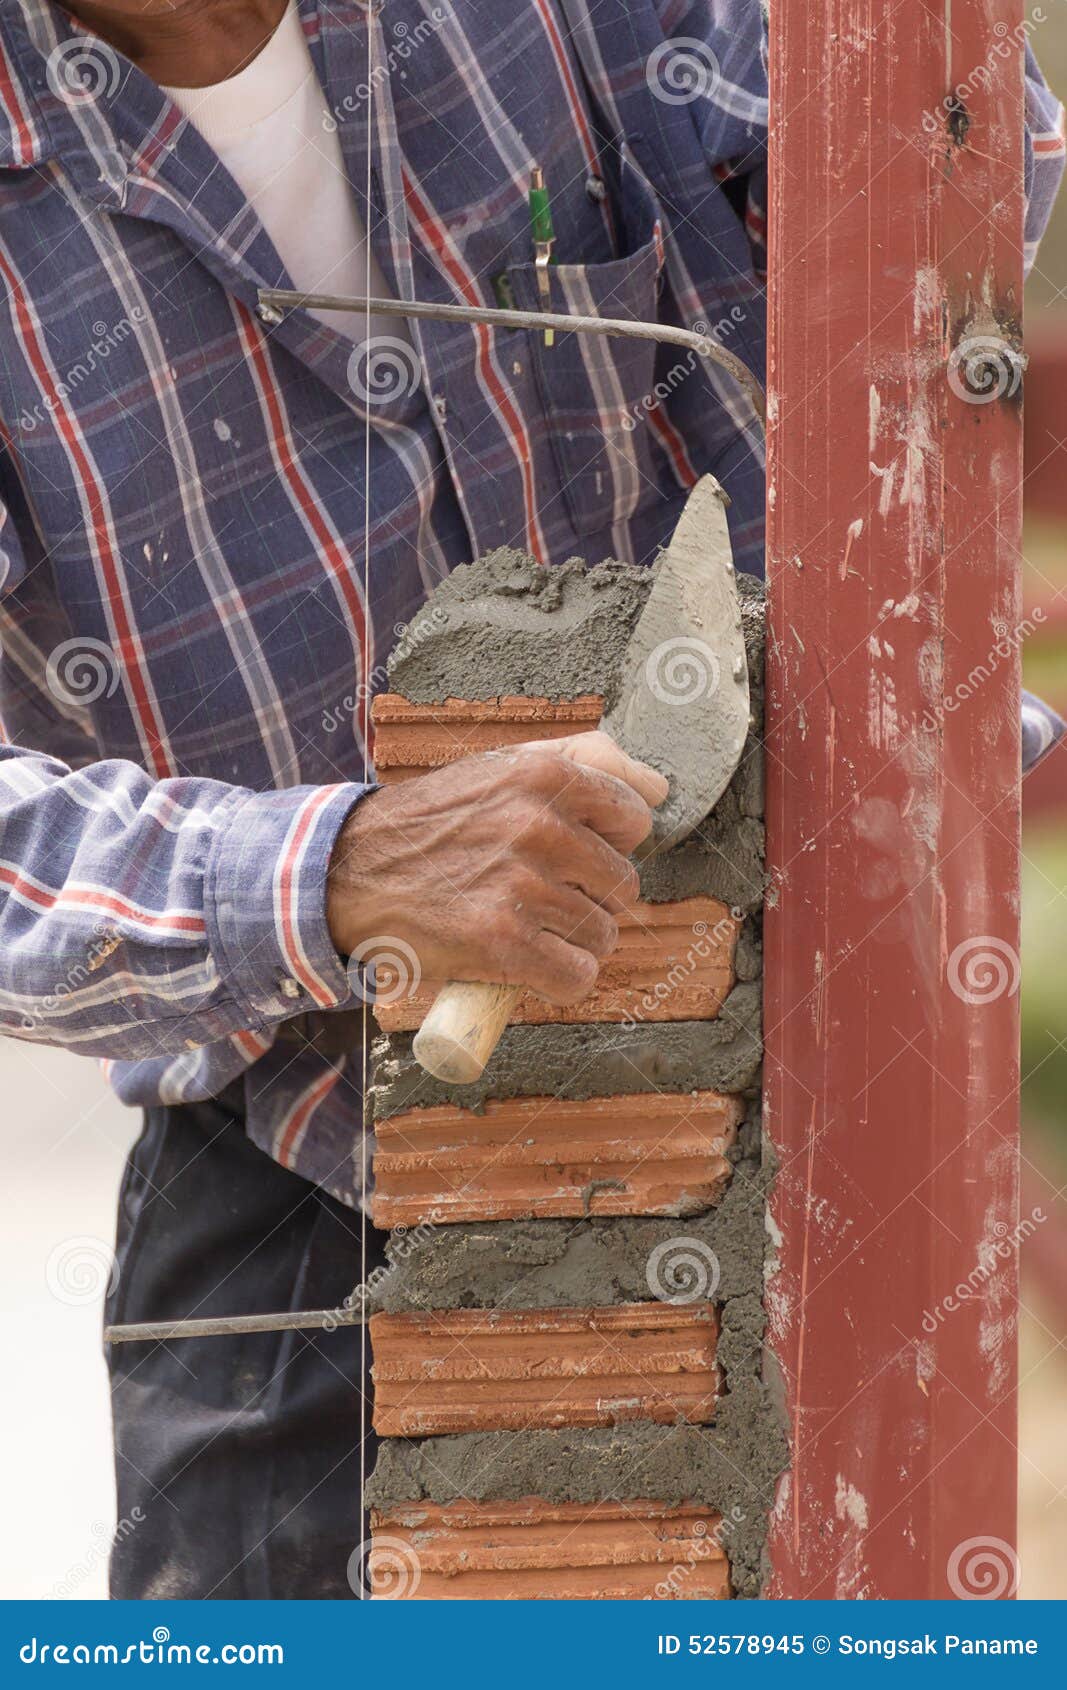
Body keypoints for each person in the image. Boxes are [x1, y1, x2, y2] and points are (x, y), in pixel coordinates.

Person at [0, 0, 1061, 1599]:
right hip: (307, 1152)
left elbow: (972, 151)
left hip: (794, 1060)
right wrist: (337, 865)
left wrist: (896, 154)